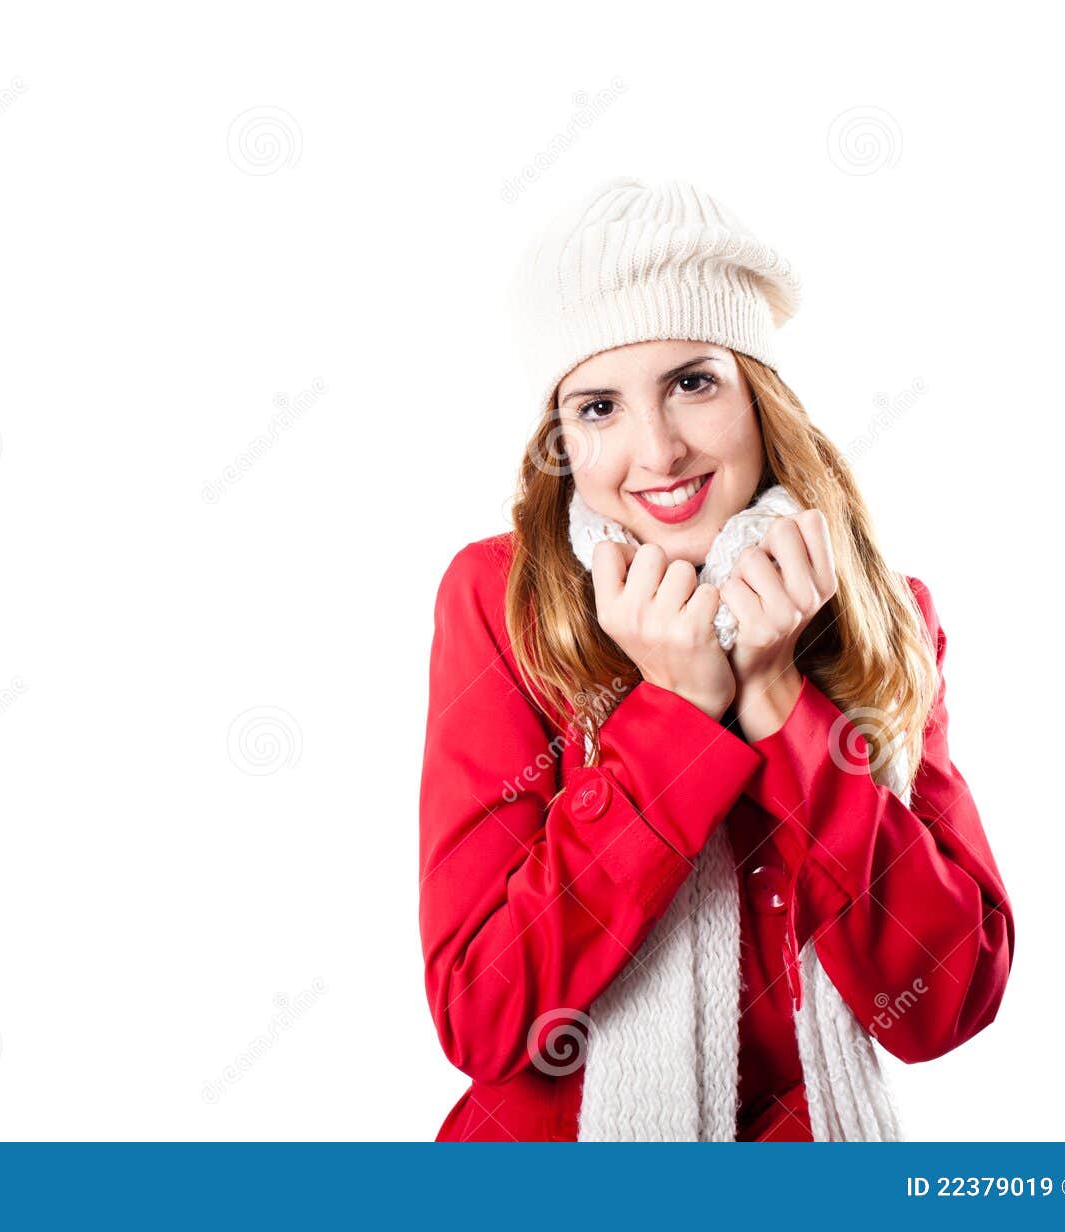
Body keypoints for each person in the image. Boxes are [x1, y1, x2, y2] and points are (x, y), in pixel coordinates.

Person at [417, 178, 1014, 1141]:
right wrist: (674, 722)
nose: (656, 450)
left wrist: (781, 698)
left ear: (759, 399)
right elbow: (483, 1014)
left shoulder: (882, 611)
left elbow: (944, 1000)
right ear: (562, 438)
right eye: (600, 406)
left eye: (694, 383)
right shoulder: (502, 599)